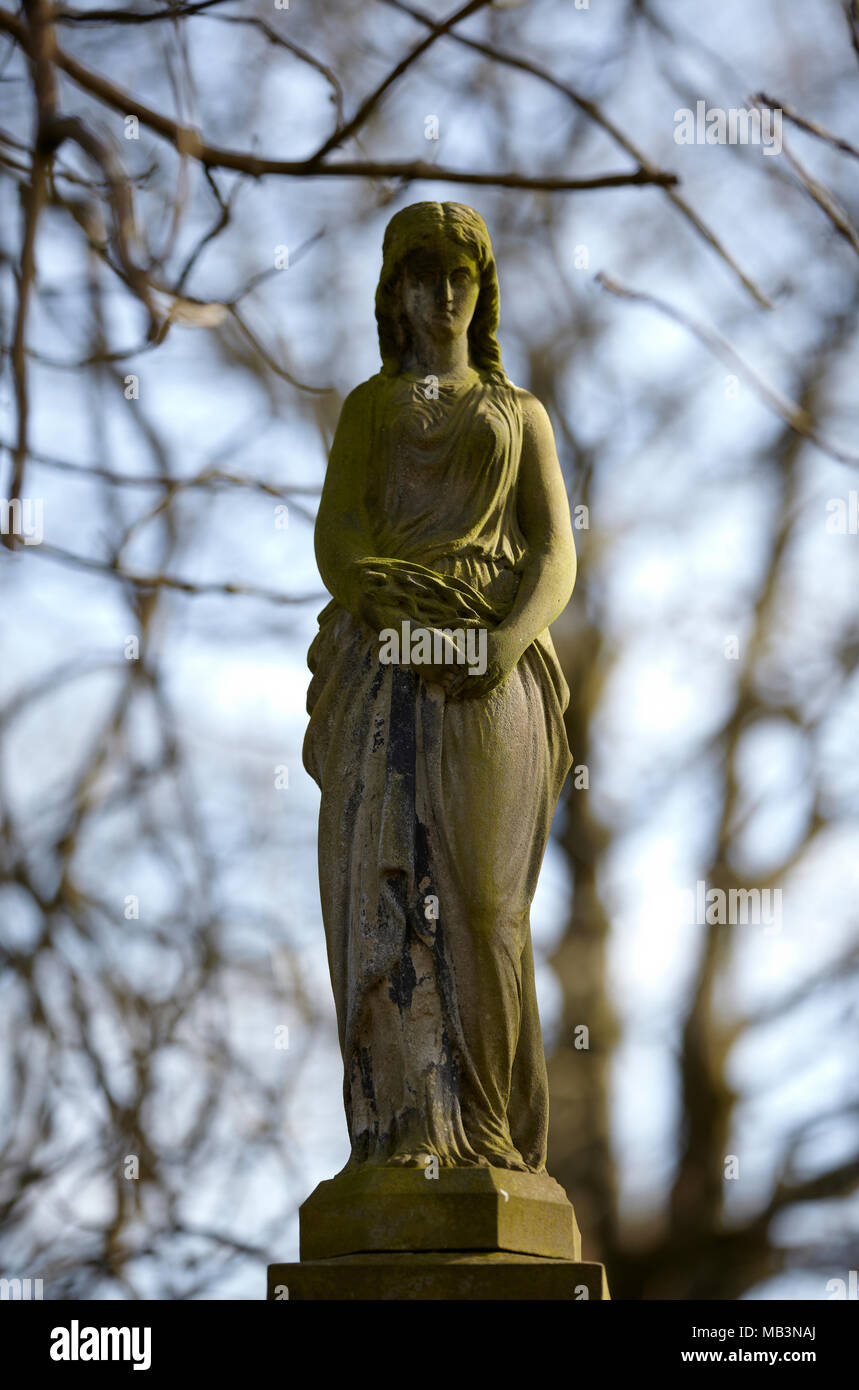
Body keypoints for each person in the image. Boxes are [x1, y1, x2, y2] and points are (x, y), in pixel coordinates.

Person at [303, 201, 576, 1174]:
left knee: (486, 906)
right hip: (384, 664)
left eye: (463, 274)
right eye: (426, 276)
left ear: (482, 288)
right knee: (384, 906)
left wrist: (505, 641)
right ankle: (399, 1135)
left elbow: (553, 552)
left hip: (490, 673)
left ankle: (495, 1140)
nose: (446, 294)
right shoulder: (369, 411)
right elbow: (338, 536)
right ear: (396, 294)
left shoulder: (518, 415)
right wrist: (381, 601)